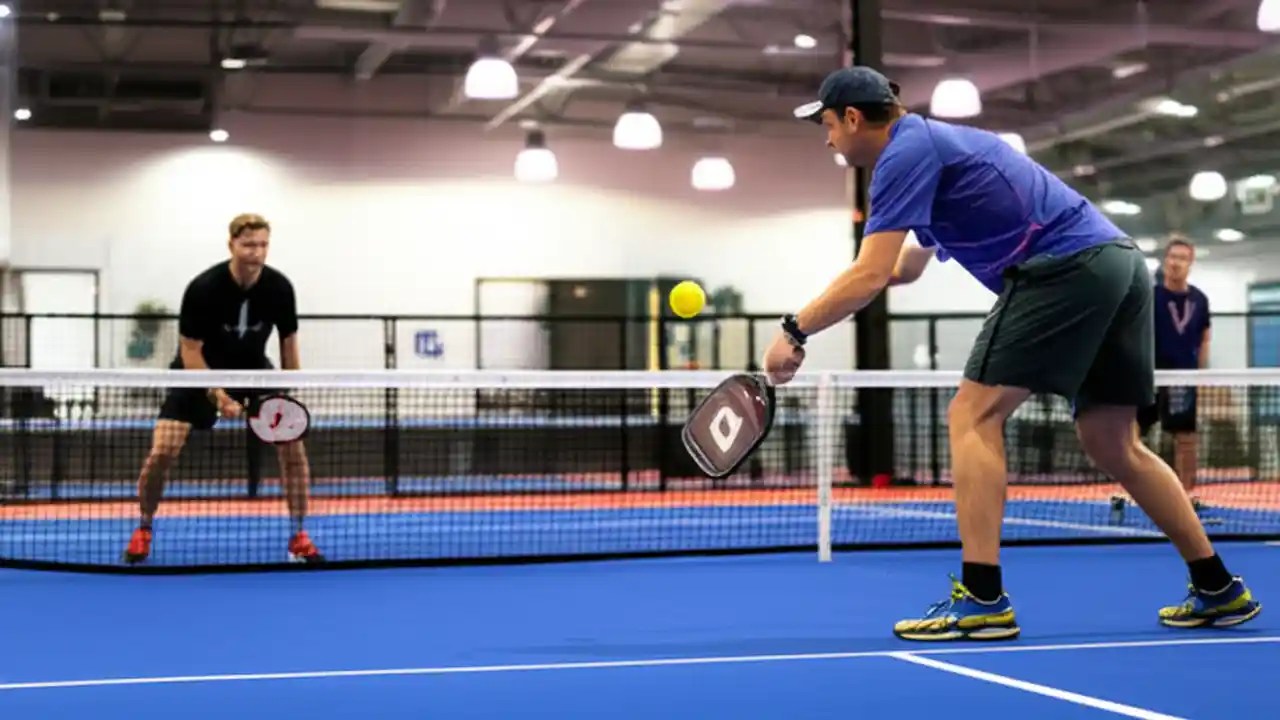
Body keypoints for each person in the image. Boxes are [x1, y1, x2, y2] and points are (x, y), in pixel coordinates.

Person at [765, 66, 1259, 641]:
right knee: (1113, 442)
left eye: (827, 125)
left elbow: (870, 273)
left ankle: (982, 598)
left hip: (1065, 268)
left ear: (853, 118)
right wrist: (829, 296)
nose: (827, 139)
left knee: (972, 414)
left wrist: (795, 329)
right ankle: (1218, 586)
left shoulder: (905, 152)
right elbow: (897, 269)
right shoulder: (934, 148)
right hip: (1120, 268)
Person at [122, 213, 324, 565]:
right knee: (162, 453)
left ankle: (298, 534)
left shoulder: (279, 287)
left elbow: (289, 342)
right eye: (248, 245)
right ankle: (144, 527)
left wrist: (288, 393)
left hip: (255, 375)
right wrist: (217, 394)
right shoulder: (204, 288)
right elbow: (190, 350)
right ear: (231, 244)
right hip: (196, 374)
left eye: (262, 245)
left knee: (293, 452)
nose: (256, 253)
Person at [1137, 237, 1211, 512]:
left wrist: (1200, 376)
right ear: (1165, 261)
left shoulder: (1199, 300)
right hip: (1149, 377)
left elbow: (1204, 337)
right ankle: (1141, 492)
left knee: (1186, 439)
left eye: (1182, 258)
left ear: (1190, 263)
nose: (1176, 263)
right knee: (1132, 436)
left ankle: (1186, 497)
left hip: (1184, 380)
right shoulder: (1150, 296)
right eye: (1172, 257)